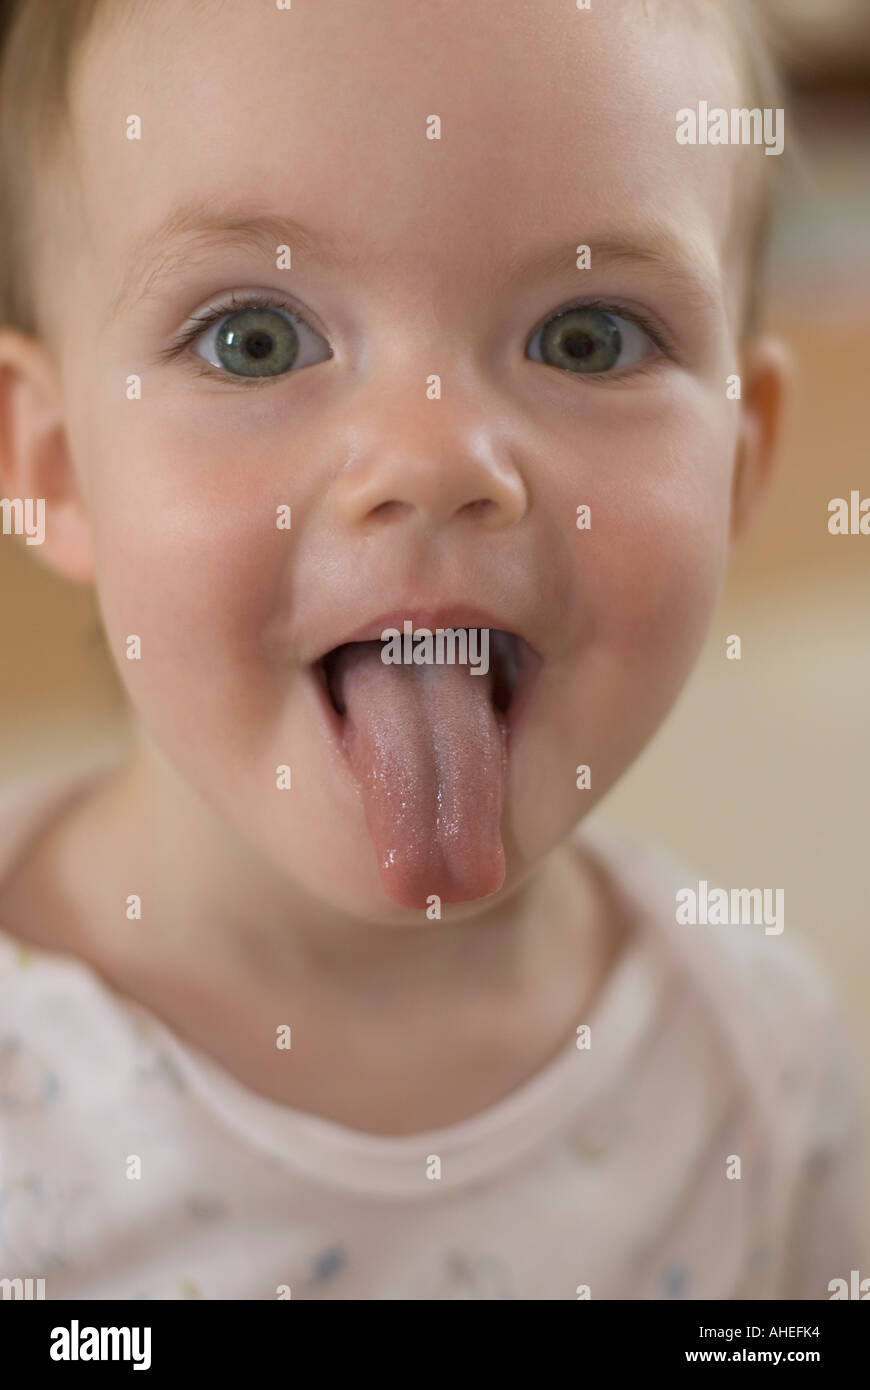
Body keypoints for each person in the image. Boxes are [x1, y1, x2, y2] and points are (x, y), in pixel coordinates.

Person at [0, 0, 863, 1299]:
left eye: (588, 337)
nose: (434, 457)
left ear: (738, 464)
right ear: (52, 466)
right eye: (255, 339)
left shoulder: (761, 1061)